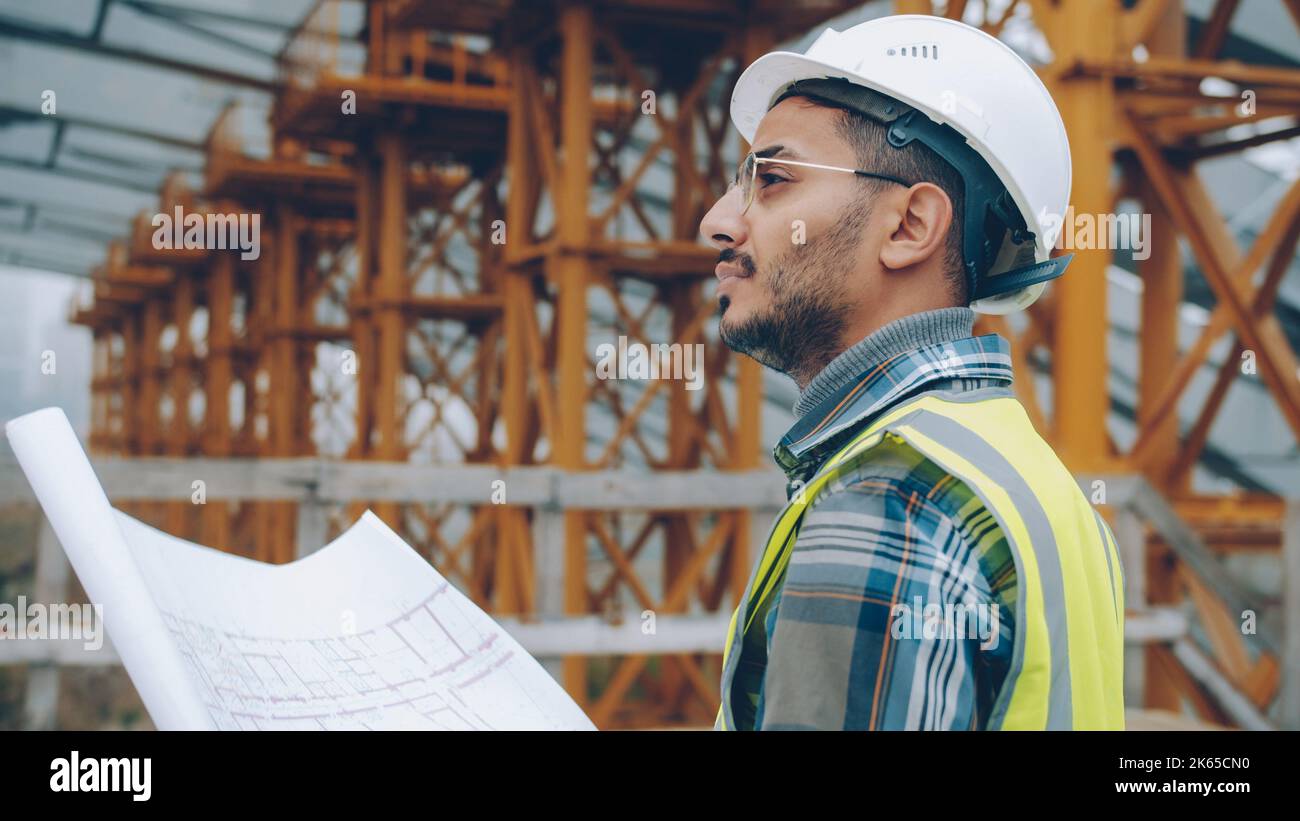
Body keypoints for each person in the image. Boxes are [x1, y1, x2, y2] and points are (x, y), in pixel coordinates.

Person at [701, 15, 1125, 730]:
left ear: (909, 227)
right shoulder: (1027, 476)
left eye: (771, 180)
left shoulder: (888, 500)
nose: (718, 220)